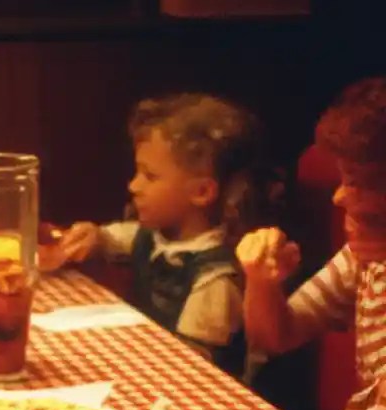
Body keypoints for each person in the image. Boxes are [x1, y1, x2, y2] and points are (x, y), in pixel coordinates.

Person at [43, 94, 276, 375]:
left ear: (201, 192)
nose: (133, 185)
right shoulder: (155, 238)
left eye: (149, 176)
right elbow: (111, 239)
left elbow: (191, 366)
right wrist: (92, 237)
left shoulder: (215, 280)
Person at [237, 77, 386, 410]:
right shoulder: (368, 259)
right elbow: (277, 336)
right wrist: (262, 279)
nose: (338, 197)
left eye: (356, 181)